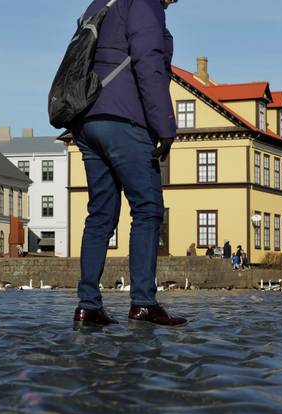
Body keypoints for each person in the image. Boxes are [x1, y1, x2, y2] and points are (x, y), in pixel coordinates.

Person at [70, 0, 185, 327]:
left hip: (87, 117)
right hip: (123, 117)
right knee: (148, 208)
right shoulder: (144, 2)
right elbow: (148, 64)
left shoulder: (101, 2)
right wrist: (164, 126)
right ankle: (144, 303)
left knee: (101, 213)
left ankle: (88, 305)